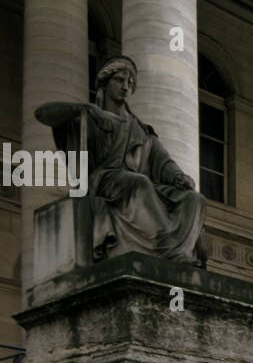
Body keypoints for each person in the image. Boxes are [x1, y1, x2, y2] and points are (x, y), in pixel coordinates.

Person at [35, 56, 208, 267]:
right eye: (120, 80)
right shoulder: (89, 118)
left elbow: (163, 162)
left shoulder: (140, 130)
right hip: (104, 181)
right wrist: (83, 109)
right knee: (139, 183)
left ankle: (177, 251)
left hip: (137, 186)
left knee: (195, 199)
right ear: (105, 84)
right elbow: (43, 114)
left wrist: (179, 177)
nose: (126, 87)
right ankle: (169, 249)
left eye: (130, 83)